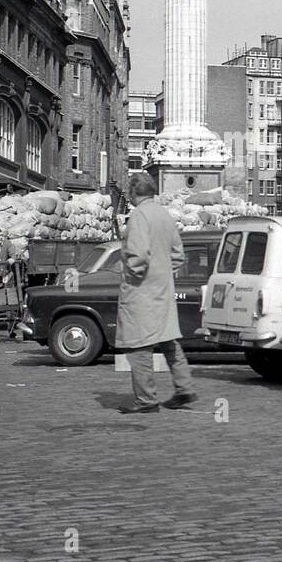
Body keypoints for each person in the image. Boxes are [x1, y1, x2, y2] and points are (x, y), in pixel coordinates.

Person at [115, 173, 196, 414]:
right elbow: (178, 255)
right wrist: (161, 274)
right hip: (162, 290)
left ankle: (146, 399)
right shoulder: (164, 214)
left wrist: (132, 275)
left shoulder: (139, 215)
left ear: (132, 192)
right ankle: (185, 387)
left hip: (141, 293)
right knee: (168, 339)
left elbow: (138, 256)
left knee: (138, 346)